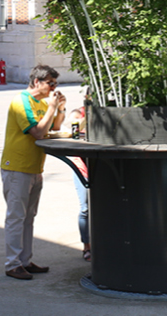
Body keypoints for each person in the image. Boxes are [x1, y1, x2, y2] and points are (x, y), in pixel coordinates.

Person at [0, 64, 66, 281]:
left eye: (55, 83)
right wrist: (50, 108)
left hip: (34, 167)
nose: (53, 88)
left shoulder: (40, 104)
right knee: (16, 217)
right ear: (37, 82)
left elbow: (53, 127)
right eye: (50, 83)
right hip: (17, 167)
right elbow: (38, 132)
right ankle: (13, 263)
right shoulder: (21, 102)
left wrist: (59, 108)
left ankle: (25, 260)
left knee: (29, 217)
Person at [68, 103, 90, 262]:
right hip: (82, 168)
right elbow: (73, 132)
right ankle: (87, 246)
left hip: (101, 167)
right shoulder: (79, 115)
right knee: (85, 208)